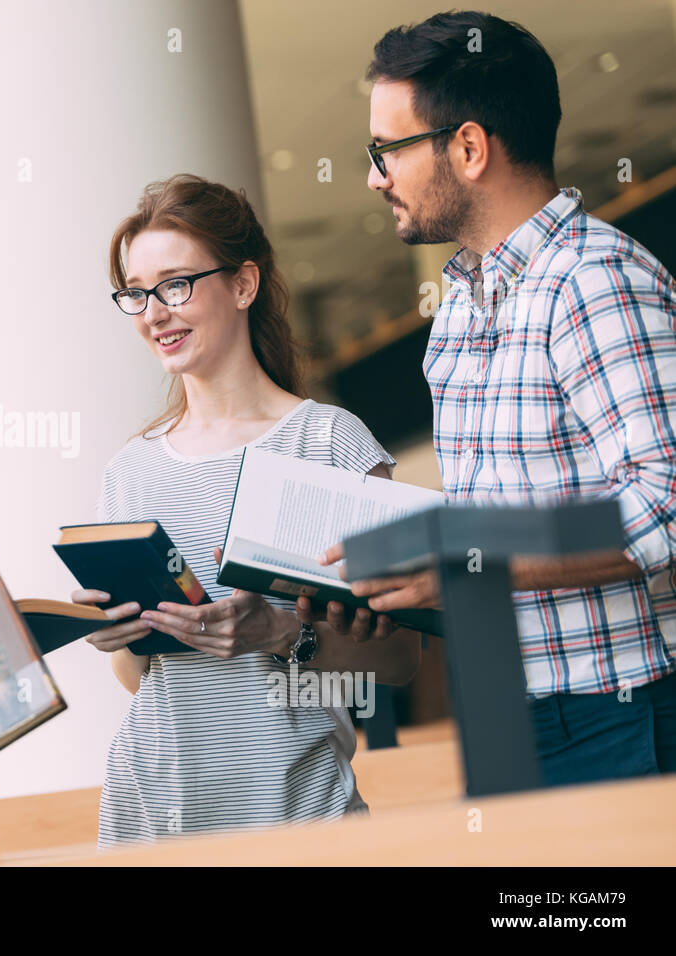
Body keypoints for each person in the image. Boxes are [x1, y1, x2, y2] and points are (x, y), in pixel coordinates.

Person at [337, 10, 676, 785]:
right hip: (497, 703)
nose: (372, 176)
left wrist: (464, 563)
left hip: (614, 711)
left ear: (468, 147)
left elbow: (664, 504)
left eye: (385, 150)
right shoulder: (459, 303)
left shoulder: (594, 281)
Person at [74, 174, 422, 848]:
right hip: (152, 822)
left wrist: (282, 633)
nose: (154, 312)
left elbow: (400, 660)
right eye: (138, 293)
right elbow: (138, 680)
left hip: (299, 817)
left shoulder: (328, 443)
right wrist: (119, 638)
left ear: (242, 284)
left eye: (176, 284)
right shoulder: (131, 472)